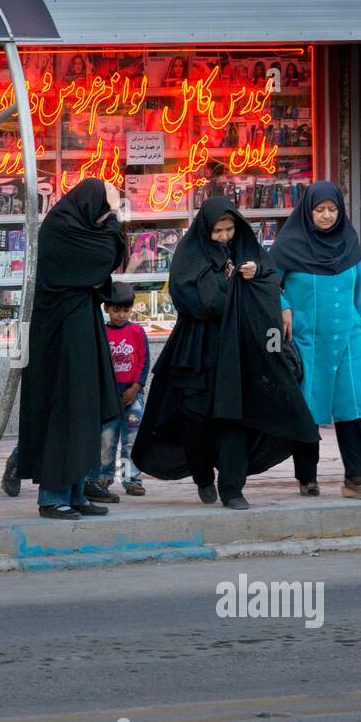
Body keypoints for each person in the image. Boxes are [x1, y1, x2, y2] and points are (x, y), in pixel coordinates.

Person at [132, 198, 318, 509]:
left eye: (230, 229)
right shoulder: (189, 257)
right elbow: (198, 300)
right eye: (218, 231)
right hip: (199, 351)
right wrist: (233, 285)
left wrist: (254, 274)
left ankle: (233, 488)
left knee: (236, 418)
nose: (225, 236)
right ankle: (203, 476)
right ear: (206, 229)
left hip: (241, 350)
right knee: (196, 421)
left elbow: (270, 280)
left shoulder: (244, 250)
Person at [16, 178, 127, 519]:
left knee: (84, 414)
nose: (105, 218)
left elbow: (109, 260)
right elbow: (105, 256)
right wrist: (112, 223)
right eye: (103, 210)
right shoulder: (60, 230)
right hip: (58, 340)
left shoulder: (79, 227)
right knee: (64, 415)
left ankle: (76, 492)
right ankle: (53, 498)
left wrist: (110, 221)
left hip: (81, 332)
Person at [273, 183, 361, 498]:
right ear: (308, 211)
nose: (326, 216)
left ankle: (355, 478)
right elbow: (268, 282)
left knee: (352, 410)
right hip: (308, 344)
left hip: (347, 340)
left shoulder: (349, 243)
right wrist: (284, 308)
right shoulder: (289, 244)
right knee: (308, 412)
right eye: (319, 210)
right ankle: (307, 477)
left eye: (332, 209)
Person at [84, 282, 151, 501]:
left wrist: (135, 387)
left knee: (132, 438)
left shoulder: (136, 331)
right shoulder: (101, 333)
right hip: (109, 396)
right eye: (116, 310)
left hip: (133, 395)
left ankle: (132, 479)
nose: (121, 315)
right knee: (106, 438)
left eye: (125, 310)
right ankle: (102, 479)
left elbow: (143, 361)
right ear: (106, 309)